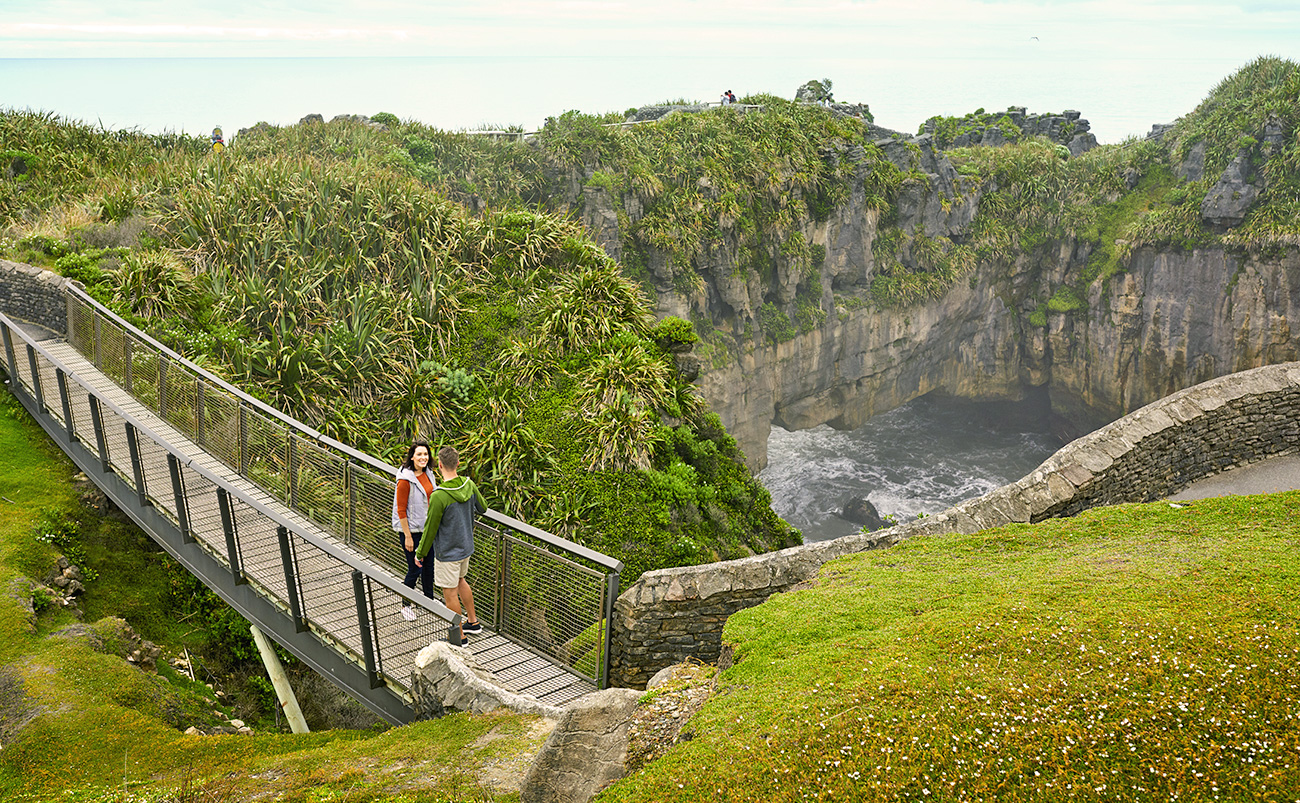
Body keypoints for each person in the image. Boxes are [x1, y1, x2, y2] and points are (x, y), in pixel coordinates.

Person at [415, 446, 487, 645]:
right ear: (458, 463)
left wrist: (420, 553)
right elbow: (483, 507)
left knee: (449, 593)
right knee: (461, 580)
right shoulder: (468, 484)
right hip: (466, 547)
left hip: (447, 552)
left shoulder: (439, 496)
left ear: (439, 466)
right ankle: (473, 622)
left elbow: (430, 529)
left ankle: (459, 637)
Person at [391, 440, 438, 620]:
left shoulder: (428, 473)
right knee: (415, 569)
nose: (423, 457)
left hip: (427, 530)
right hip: (411, 531)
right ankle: (405, 605)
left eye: (425, 454)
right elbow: (401, 510)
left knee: (428, 567)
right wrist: (408, 536)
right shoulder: (405, 480)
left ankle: (428, 601)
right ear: (412, 457)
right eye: (419, 454)